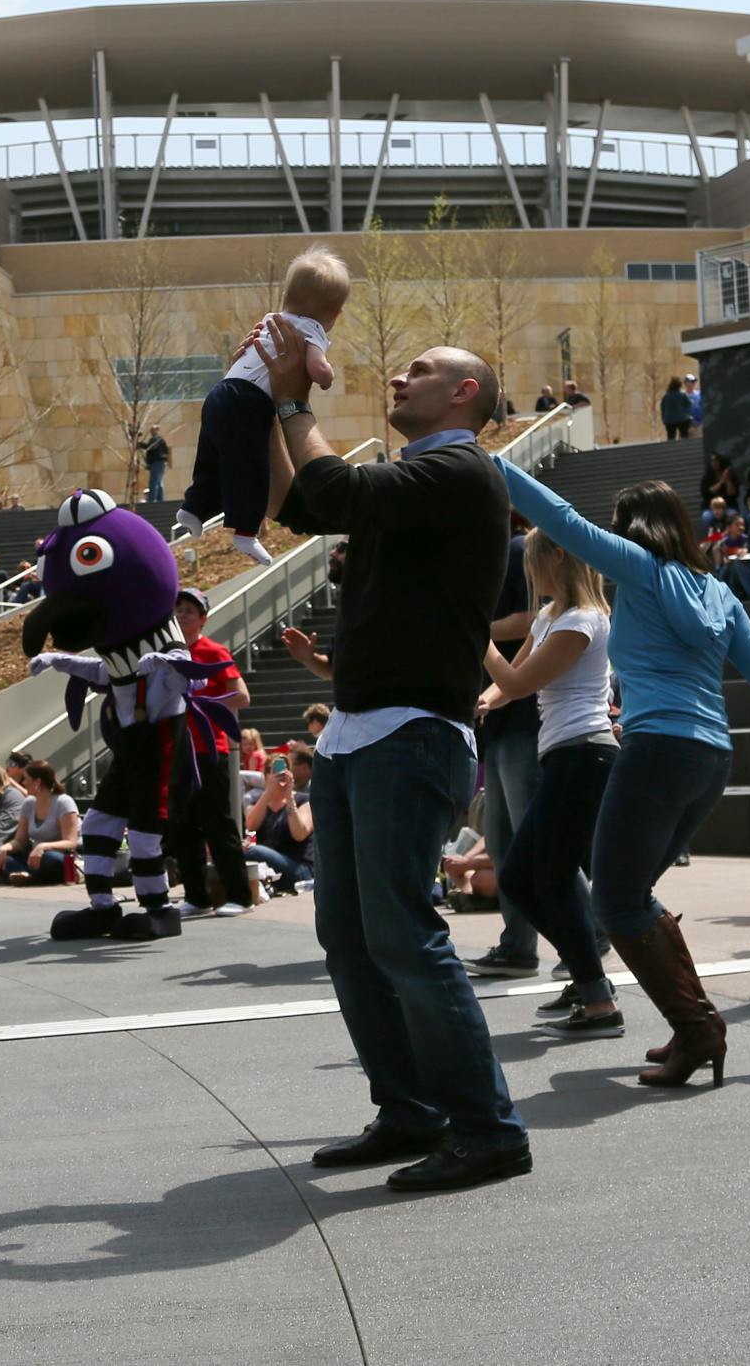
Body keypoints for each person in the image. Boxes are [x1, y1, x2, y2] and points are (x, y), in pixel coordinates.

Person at [254, 318, 529, 1193]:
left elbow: (331, 484)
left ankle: (488, 1129)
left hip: (411, 735)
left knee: (404, 933)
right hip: (357, 735)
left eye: (421, 368)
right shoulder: (416, 483)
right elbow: (300, 502)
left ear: (464, 394)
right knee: (349, 935)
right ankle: (410, 1108)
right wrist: (261, 402)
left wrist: (294, 396)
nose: (399, 377)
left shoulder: (462, 470)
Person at [502, 458, 750, 1089]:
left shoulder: (640, 568)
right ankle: (698, 1025)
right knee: (630, 895)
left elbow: (562, 520)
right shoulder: (720, 593)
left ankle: (696, 1028)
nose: (610, 533)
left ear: (636, 528)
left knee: (615, 898)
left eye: (617, 525)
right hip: (710, 759)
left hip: (657, 752)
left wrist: (491, 462)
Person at [478, 528, 625, 1036]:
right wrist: (484, 700)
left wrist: (477, 637)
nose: (528, 573)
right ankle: (589, 977)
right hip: (564, 756)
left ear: (558, 559)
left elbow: (519, 682)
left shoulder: (585, 621)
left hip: (585, 753)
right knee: (523, 877)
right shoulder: (547, 617)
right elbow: (508, 684)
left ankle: (597, 997)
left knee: (547, 876)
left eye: (533, 563)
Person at [181, 246, 350, 566]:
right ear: (334, 315)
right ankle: (246, 530)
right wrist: (326, 378)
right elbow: (318, 369)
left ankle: (193, 508)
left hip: (222, 390)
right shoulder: (313, 331)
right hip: (248, 401)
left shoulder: (271, 320)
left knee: (212, 456)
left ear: (286, 296)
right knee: (250, 467)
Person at [463, 523, 547, 974]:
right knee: (500, 841)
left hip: (525, 718)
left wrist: (472, 629)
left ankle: (592, 930)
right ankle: (518, 945)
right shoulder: (477, 560)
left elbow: (532, 617)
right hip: (496, 719)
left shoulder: (514, 550)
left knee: (531, 840)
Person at [167, 587, 257, 915]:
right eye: (178, 609)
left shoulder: (214, 651)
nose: (182, 614)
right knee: (182, 826)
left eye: (190, 610)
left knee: (217, 823)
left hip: (208, 750)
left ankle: (240, 896)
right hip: (176, 752)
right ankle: (196, 897)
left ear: (203, 618)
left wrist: (202, 702)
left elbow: (242, 696)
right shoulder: (168, 653)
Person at [0, 761, 82, 886]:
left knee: (50, 858)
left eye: (26, 779)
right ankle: (27, 875)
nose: (23, 783)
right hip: (34, 856)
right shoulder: (29, 803)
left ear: (37, 782)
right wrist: (4, 848)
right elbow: (20, 840)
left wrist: (42, 847)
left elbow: (71, 842)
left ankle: (22, 874)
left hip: (60, 856)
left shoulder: (64, 802)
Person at [241, 757, 314, 894]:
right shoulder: (258, 803)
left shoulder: (304, 800)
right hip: (268, 869)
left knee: (255, 852)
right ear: (265, 776)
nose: (278, 774)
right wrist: (269, 792)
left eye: (283, 769)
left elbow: (300, 834)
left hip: (298, 868)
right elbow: (251, 826)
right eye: (272, 770)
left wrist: (289, 797)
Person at [141, 425, 171, 502]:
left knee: (154, 482)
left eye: (154, 430)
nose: (152, 431)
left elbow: (151, 447)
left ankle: (152, 500)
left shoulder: (158, 439)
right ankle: (160, 499)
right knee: (158, 482)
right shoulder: (157, 439)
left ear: (157, 430)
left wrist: (140, 444)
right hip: (158, 463)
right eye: (151, 430)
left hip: (157, 463)